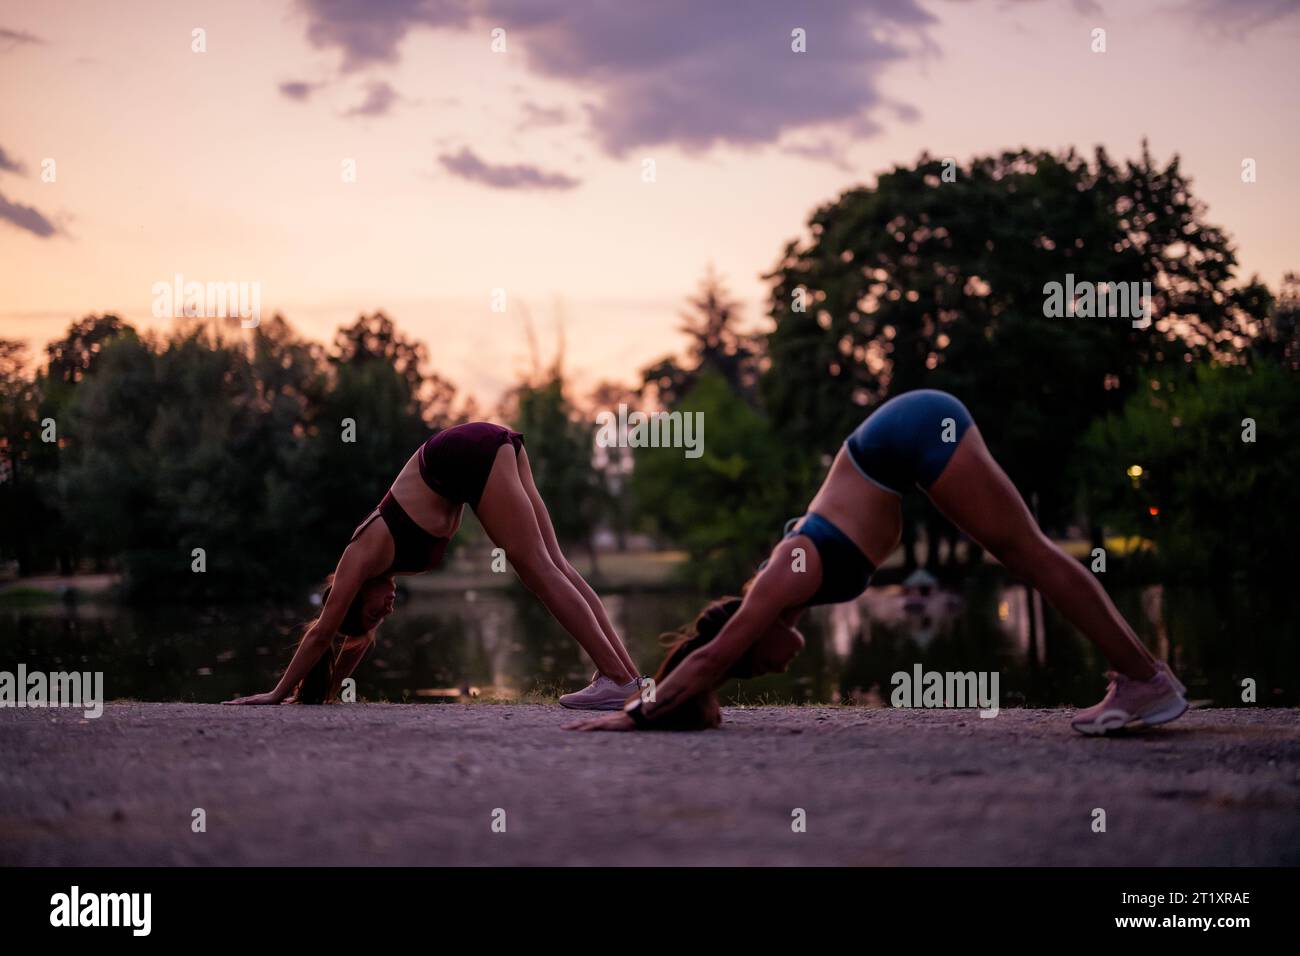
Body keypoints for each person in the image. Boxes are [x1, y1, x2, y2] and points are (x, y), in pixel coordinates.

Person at [564, 390, 1188, 735]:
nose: (782, 666)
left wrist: (636, 715)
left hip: (912, 432)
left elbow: (712, 656)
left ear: (757, 639)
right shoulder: (794, 586)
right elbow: (718, 660)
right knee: (1027, 554)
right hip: (908, 444)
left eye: (761, 666)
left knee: (1030, 554)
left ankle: (1142, 679)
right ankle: (1141, 676)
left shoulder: (784, 577)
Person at [225, 422, 642, 710]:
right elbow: (355, 641)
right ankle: (628, 679)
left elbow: (323, 633)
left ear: (355, 595)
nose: (386, 610)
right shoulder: (380, 571)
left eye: (374, 611)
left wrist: (278, 693)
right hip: (489, 446)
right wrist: (326, 691)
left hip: (470, 452)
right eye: (381, 617)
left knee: (537, 569)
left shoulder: (359, 553)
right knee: (554, 565)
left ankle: (614, 679)